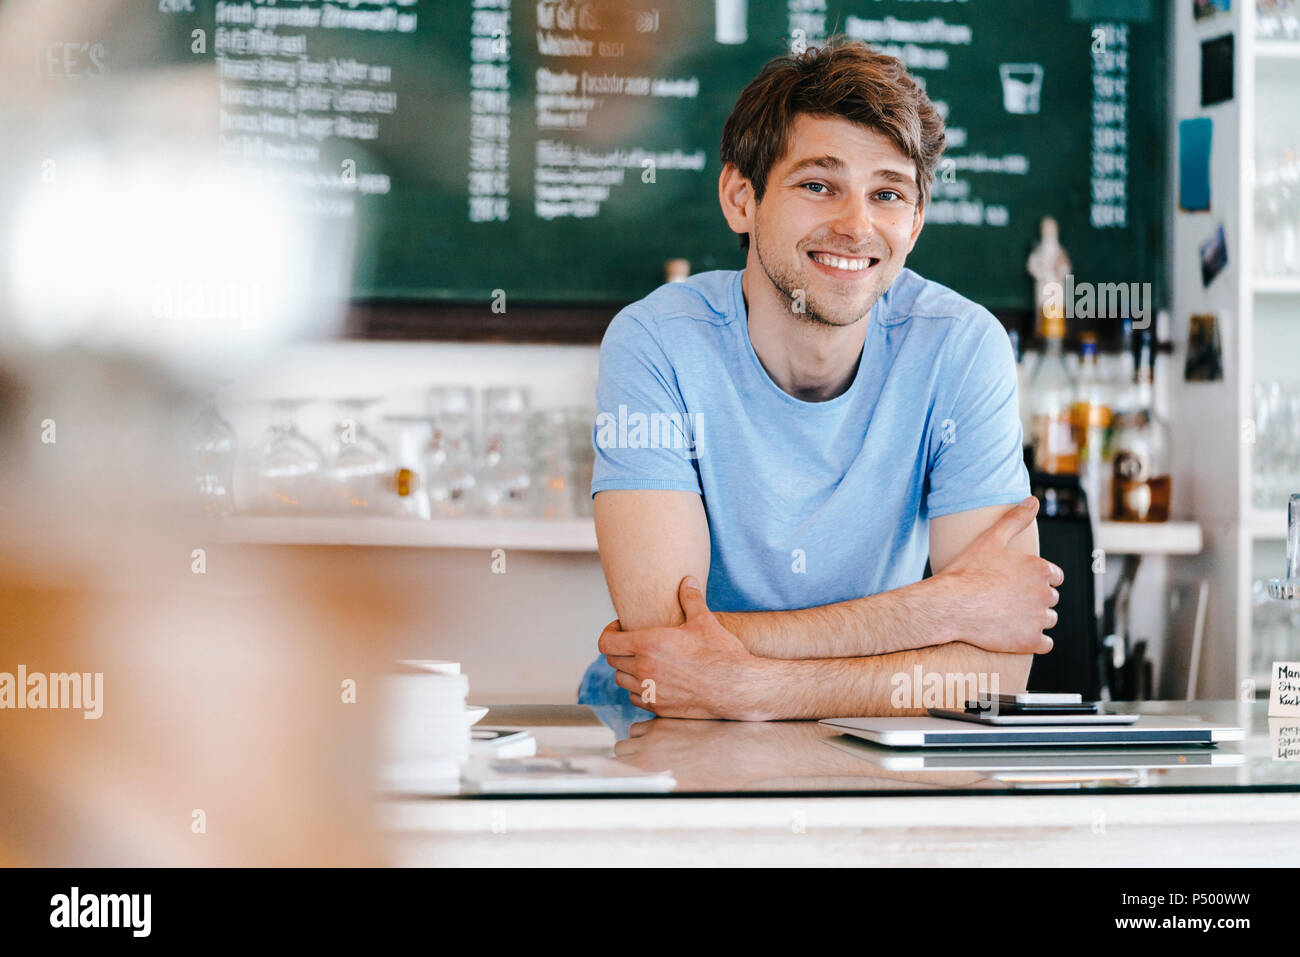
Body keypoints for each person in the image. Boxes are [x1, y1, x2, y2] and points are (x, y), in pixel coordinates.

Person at [578, 38, 1064, 724]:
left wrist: (757, 688)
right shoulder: (657, 340)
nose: (856, 225)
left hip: (866, 750)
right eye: (818, 184)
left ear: (915, 223)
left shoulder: (960, 345)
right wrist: (939, 609)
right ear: (740, 198)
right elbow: (664, 647)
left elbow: (997, 672)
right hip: (666, 738)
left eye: (888, 193)